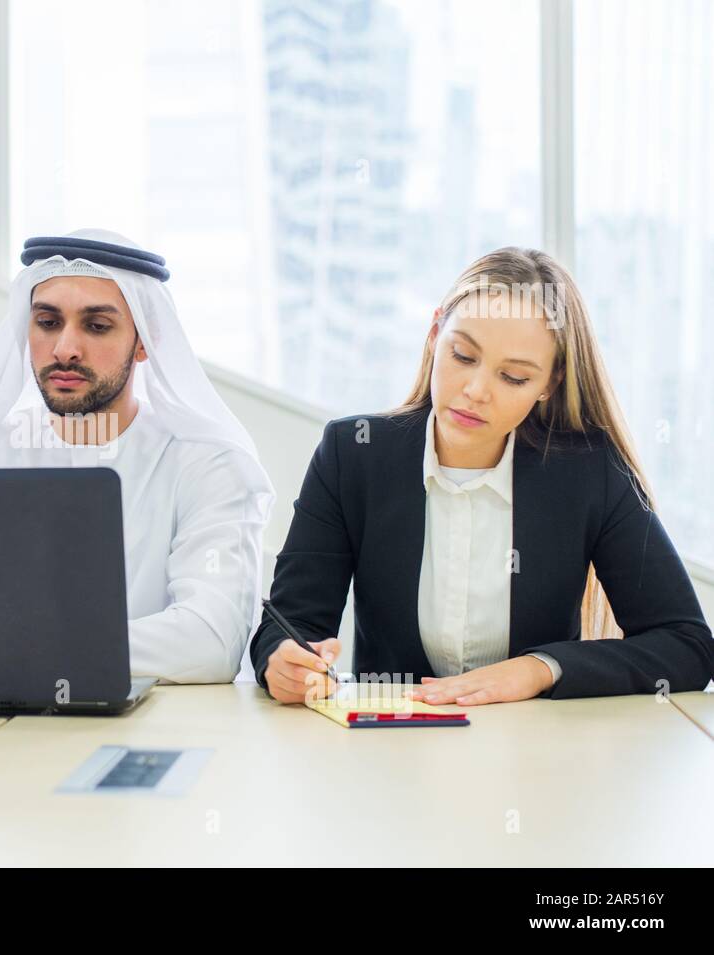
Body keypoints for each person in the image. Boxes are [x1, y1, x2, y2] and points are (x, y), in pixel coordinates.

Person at [251, 246, 713, 704]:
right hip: (391, 750)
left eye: (513, 377)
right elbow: (289, 624)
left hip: (538, 756)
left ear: (549, 384)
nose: (475, 391)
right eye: (463, 356)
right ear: (435, 333)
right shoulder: (352, 454)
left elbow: (686, 645)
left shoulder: (590, 471)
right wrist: (283, 661)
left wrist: (539, 669)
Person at [0, 229, 274, 683]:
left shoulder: (208, 464)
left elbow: (210, 642)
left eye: (96, 326)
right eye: (48, 322)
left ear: (143, 341)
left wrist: (12, 646)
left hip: (154, 732)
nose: (65, 349)